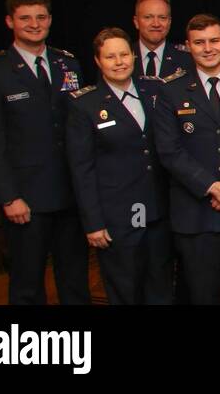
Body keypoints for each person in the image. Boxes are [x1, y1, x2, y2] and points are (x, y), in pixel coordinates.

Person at [0, 0, 89, 305]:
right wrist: (8, 196)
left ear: (49, 20)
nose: (34, 24)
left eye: (41, 17)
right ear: (10, 22)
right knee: (27, 284)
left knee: (76, 280)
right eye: (25, 18)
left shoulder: (68, 64)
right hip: (25, 197)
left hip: (70, 193)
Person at [153, 14, 220, 304]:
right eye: (199, 42)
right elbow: (168, 150)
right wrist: (214, 187)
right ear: (188, 46)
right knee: (202, 295)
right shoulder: (169, 89)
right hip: (196, 212)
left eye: (214, 40)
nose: (208, 48)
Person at [65, 27, 172, 305]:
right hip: (116, 217)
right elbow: (82, 169)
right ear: (98, 61)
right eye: (110, 57)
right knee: (125, 290)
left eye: (124, 54)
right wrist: (94, 223)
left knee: (160, 287)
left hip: (158, 212)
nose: (119, 61)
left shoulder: (154, 90)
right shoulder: (84, 104)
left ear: (133, 56)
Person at [132, 0, 192, 78]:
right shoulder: (123, 57)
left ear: (169, 22)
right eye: (148, 17)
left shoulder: (187, 58)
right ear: (136, 22)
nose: (156, 24)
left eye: (162, 18)